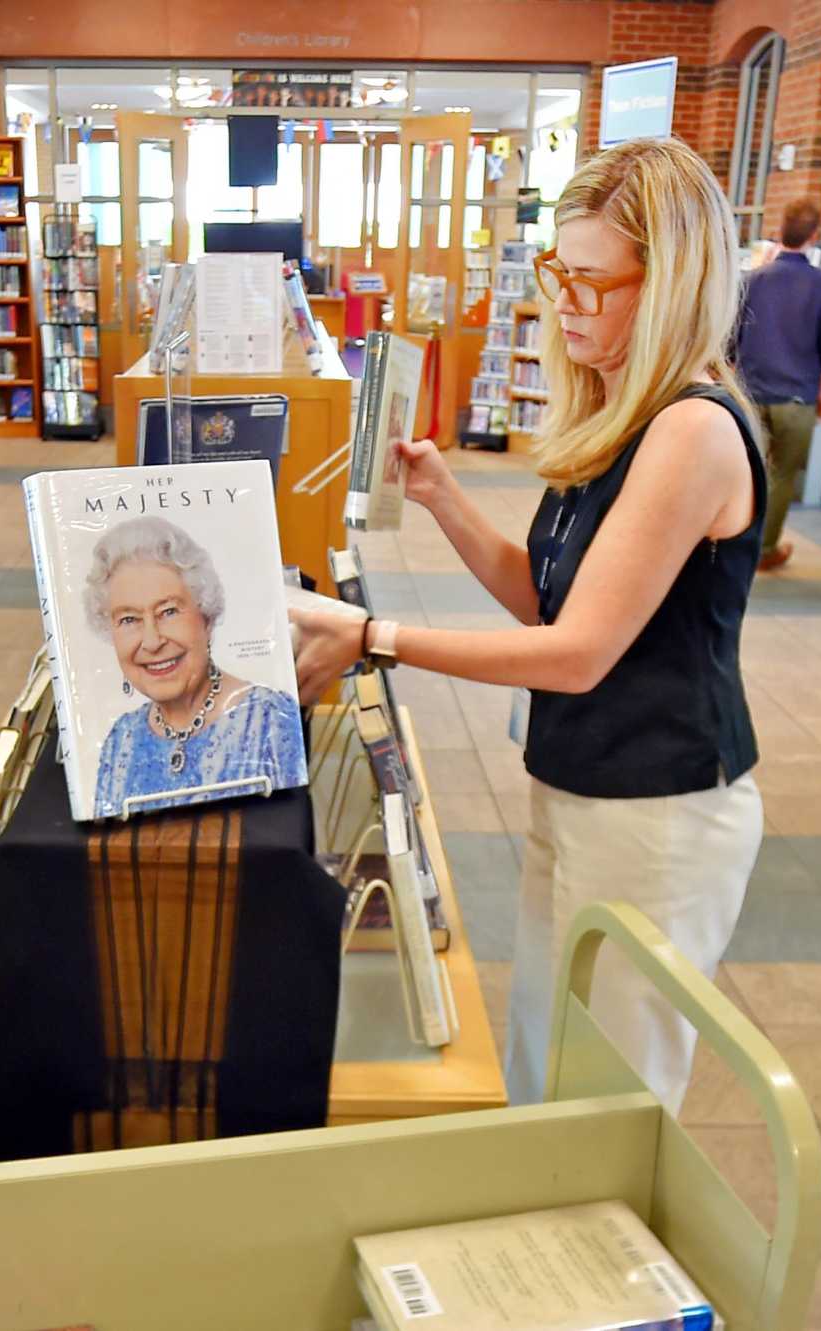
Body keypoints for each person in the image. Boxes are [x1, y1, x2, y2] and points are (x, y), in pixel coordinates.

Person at [289, 137, 765, 1113]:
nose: (565, 302)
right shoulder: (621, 412)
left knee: (613, 1089)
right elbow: (548, 599)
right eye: (559, 273)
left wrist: (372, 637)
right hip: (582, 779)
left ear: (671, 283)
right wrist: (445, 499)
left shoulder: (690, 429)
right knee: (547, 1055)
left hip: (657, 804)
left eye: (591, 280)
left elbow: (576, 654)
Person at [85, 516, 303, 818]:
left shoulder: (269, 720)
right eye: (129, 619)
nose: (151, 641)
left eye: (168, 611)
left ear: (206, 616)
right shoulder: (121, 739)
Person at [735, 198, 821, 572]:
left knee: (747, 469)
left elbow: (732, 342)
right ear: (815, 236)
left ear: (780, 232)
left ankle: (734, 542)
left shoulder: (752, 280)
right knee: (781, 475)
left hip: (748, 392)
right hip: (797, 396)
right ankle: (764, 548)